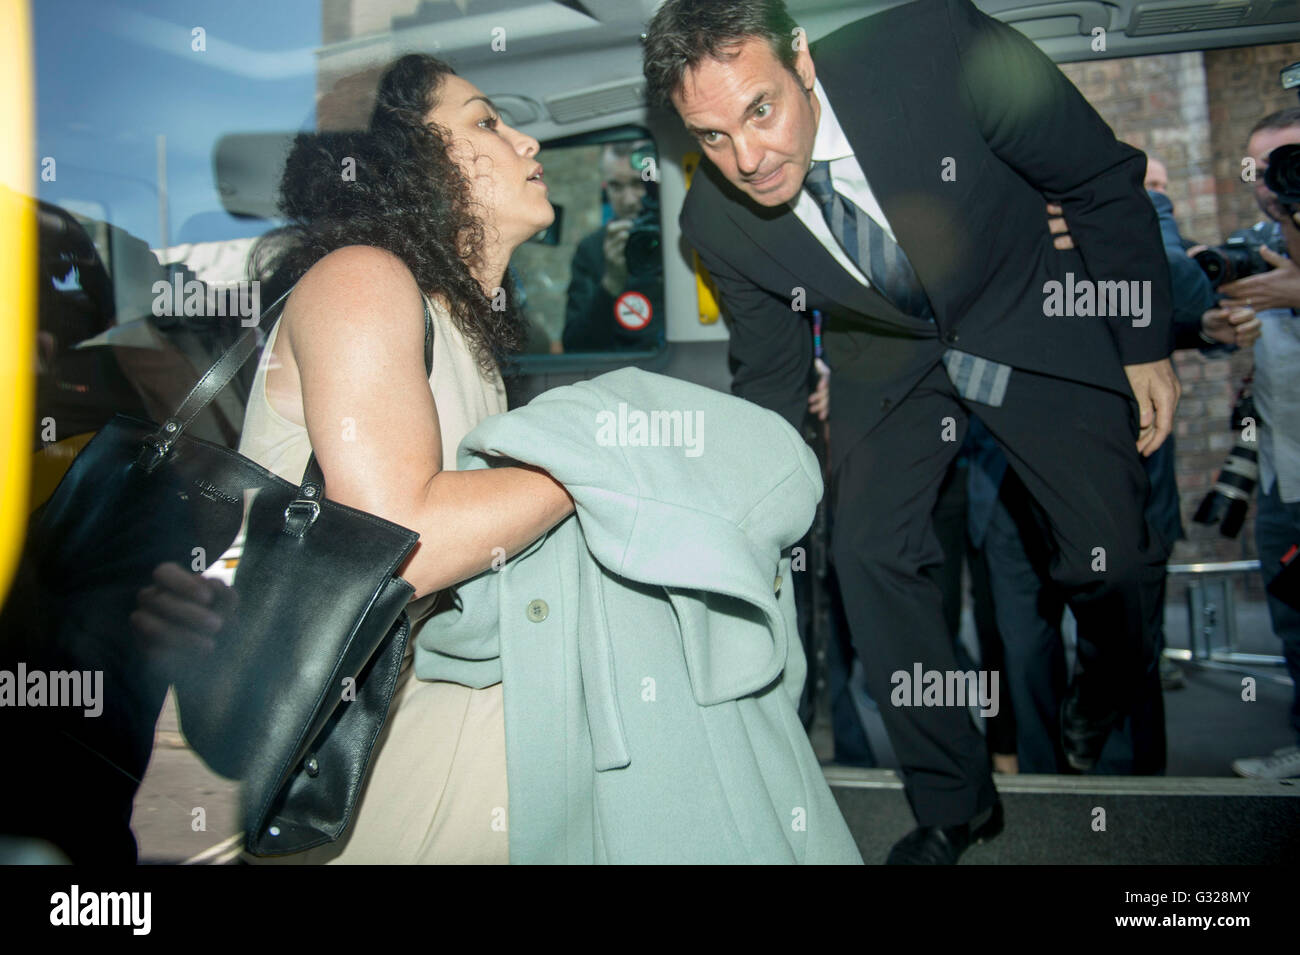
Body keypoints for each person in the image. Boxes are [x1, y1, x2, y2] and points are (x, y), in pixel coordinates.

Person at [643, 0, 1179, 863]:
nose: (747, 158)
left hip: (1023, 306)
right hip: (885, 357)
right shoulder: (717, 222)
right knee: (865, 554)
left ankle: (1104, 689)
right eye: (709, 137)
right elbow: (773, 379)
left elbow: (1096, 176)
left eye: (760, 110)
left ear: (803, 62)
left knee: (1111, 554)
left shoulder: (938, 46)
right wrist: (756, 510)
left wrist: (1145, 345)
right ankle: (953, 798)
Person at [133, 54, 576, 862]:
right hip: (287, 738)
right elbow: (407, 532)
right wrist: (589, 463)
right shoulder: (361, 280)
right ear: (411, 163)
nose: (525, 141)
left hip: (374, 709)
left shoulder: (458, 333)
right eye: (486, 121)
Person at [1216, 108, 1300, 779]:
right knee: (1294, 621)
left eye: (1288, 159)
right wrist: (1220, 329)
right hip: (1281, 471)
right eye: (1261, 166)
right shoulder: (1260, 246)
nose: (1273, 179)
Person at [561, 140, 665, 352]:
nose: (628, 200)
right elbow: (576, 347)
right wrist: (611, 283)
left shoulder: (683, 237)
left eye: (638, 184)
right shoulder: (592, 250)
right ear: (605, 187)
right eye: (616, 187)